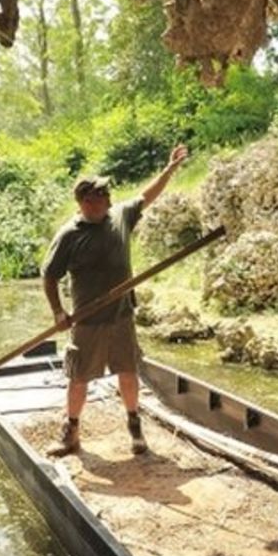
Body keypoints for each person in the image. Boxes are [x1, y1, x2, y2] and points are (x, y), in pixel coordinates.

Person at [41, 143, 189, 455]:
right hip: (88, 319)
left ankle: (134, 424)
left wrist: (170, 169)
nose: (109, 198)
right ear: (86, 202)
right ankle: (71, 430)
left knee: (127, 369)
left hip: (122, 315)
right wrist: (58, 312)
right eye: (102, 194)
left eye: (108, 193)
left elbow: (147, 196)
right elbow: (50, 275)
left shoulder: (119, 215)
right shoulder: (70, 235)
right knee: (79, 376)